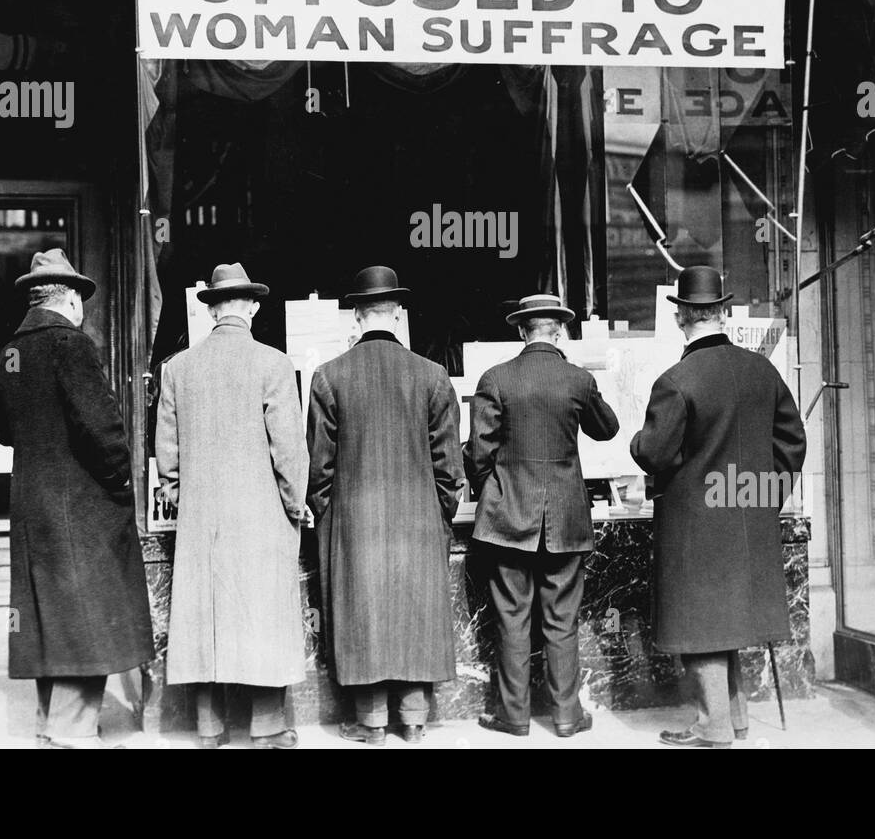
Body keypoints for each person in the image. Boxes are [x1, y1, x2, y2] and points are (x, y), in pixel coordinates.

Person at [630, 266, 806, 748]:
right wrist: (760, 498)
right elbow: (792, 444)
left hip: (693, 524)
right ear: (723, 312)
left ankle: (713, 727)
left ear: (682, 316)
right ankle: (737, 719)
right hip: (747, 515)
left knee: (701, 622)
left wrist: (634, 442)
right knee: (728, 618)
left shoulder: (677, 380)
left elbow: (654, 452)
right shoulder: (761, 370)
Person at [0, 248, 153, 749]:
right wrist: (120, 482)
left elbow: (1, 430)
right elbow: (101, 428)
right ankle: (71, 731)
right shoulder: (71, 344)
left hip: (32, 505)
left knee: (48, 617)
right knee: (87, 617)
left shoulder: (10, 353)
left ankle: (49, 723)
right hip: (81, 507)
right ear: (72, 301)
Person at [306, 265, 465, 746]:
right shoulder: (433, 377)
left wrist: (330, 518)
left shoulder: (328, 376)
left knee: (363, 615)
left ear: (356, 316)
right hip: (417, 520)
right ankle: (414, 719)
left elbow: (319, 469)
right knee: (414, 612)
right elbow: (449, 468)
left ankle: (371, 721)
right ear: (398, 314)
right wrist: (438, 511)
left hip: (354, 524)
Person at [156, 263, 308, 750]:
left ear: (212, 310)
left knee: (204, 618)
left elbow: (168, 452)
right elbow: (289, 451)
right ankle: (265, 728)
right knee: (263, 615)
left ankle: (208, 729)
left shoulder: (177, 368)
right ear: (253, 307)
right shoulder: (274, 364)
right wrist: (295, 505)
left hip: (202, 518)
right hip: (261, 516)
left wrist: (182, 495)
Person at [467, 294, 620, 739]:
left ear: (521, 330)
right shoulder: (577, 379)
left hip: (507, 519)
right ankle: (567, 716)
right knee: (562, 621)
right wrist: (580, 384)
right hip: (567, 521)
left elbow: (478, 454)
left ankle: (514, 717)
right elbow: (606, 428)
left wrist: (489, 486)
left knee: (511, 619)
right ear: (560, 331)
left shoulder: (496, 378)